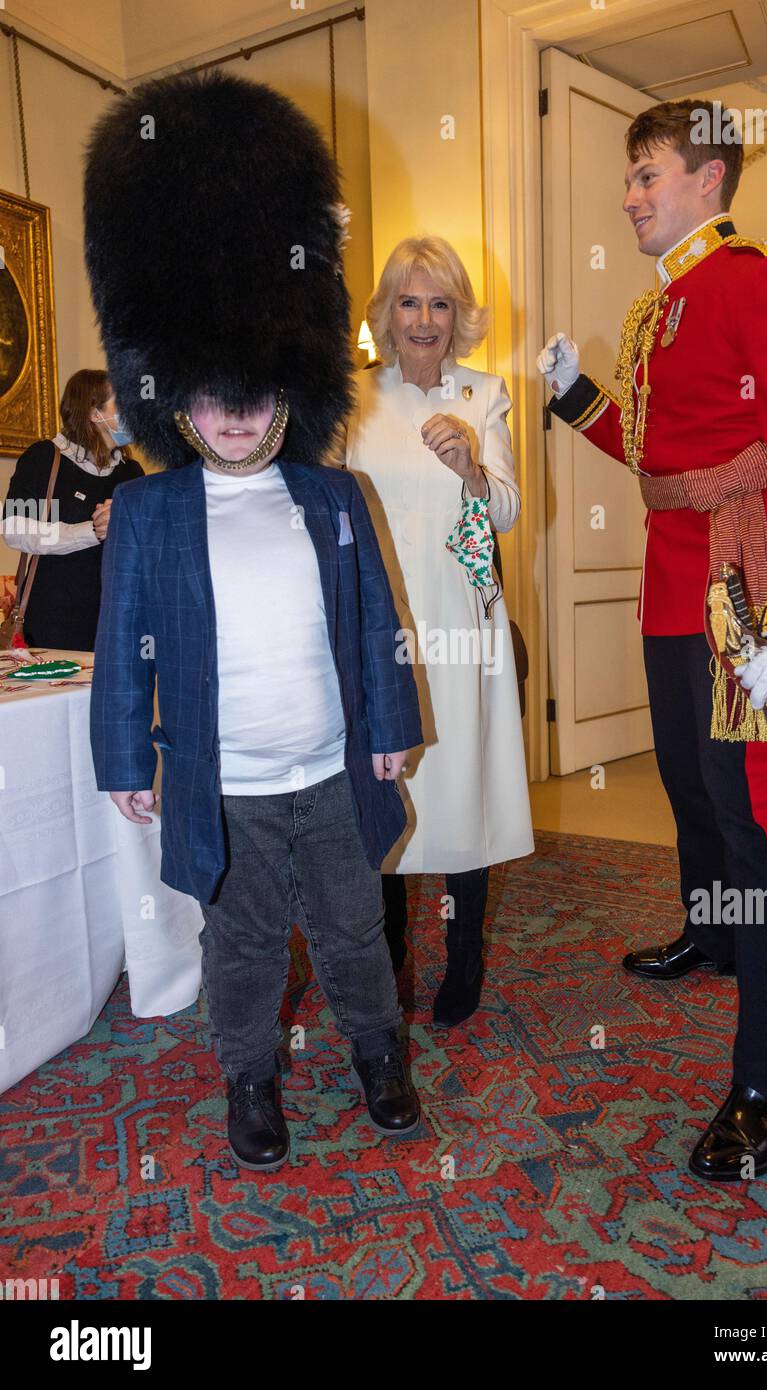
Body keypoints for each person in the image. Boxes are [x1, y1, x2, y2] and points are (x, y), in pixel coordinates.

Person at [84, 70, 423, 1172]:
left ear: (293, 393)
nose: (236, 416)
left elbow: (375, 622)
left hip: (329, 770)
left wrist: (391, 725)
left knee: (351, 929)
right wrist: (124, 758)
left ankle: (378, 1051)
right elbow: (120, 652)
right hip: (220, 780)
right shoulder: (145, 512)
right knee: (237, 946)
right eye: (214, 399)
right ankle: (249, 1076)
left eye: (258, 396)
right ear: (173, 401)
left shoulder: (333, 499)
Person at [538, 98, 767, 1181]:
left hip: (742, 584)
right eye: (629, 178)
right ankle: (713, 932)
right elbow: (652, 452)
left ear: (708, 176)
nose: (628, 196)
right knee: (688, 786)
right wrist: (574, 395)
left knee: (754, 832)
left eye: (646, 175)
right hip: (668, 581)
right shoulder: (656, 312)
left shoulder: (765, 277)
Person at [334, 236, 534, 1028]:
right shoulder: (352, 399)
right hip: (378, 619)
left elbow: (510, 511)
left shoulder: (485, 395)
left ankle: (465, 952)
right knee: (384, 785)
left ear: (459, 317)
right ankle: (385, 960)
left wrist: (473, 472)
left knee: (460, 782)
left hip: (460, 617)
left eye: (439, 303)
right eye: (409, 302)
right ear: (386, 313)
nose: (423, 319)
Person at [2, 369, 143, 650]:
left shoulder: (131, 473)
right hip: (53, 621)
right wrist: (93, 530)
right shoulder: (45, 457)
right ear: (94, 413)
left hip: (118, 620)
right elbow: (14, 529)